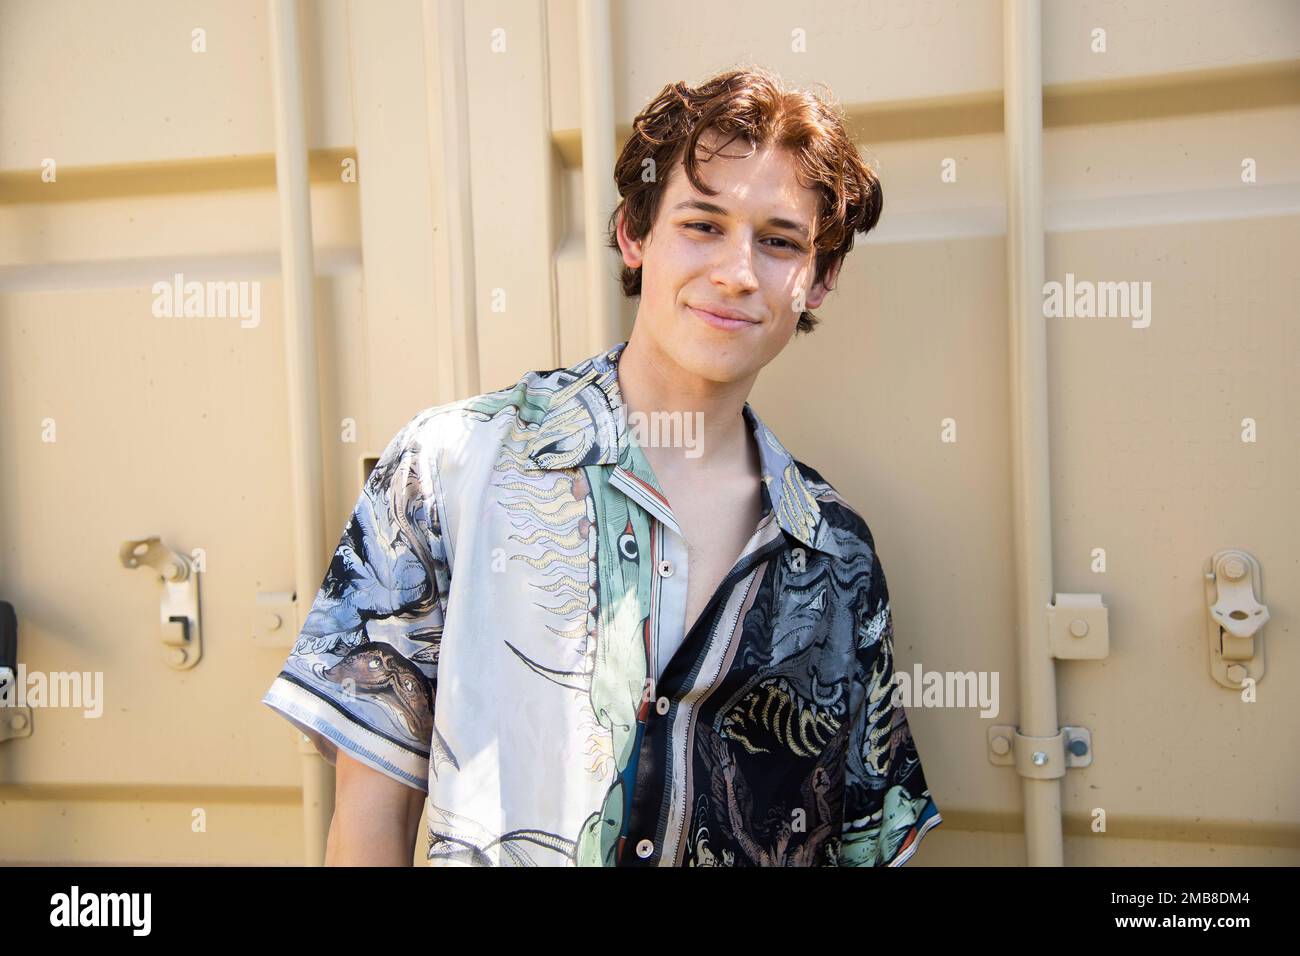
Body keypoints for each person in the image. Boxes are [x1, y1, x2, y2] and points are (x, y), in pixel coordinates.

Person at [262, 65, 942, 867]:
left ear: (818, 280)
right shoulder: (449, 469)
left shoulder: (836, 557)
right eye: (702, 224)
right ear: (633, 235)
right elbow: (369, 823)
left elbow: (859, 846)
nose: (735, 270)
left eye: (780, 241)